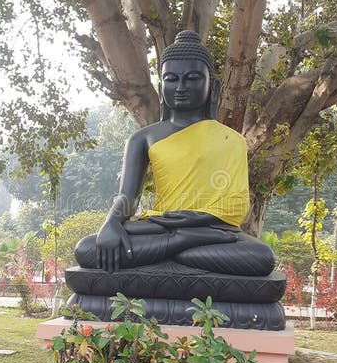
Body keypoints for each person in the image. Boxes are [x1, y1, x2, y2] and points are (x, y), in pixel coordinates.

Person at [74, 30, 274, 277]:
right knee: (86, 249)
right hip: (166, 227)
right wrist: (111, 223)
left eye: (192, 78)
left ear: (213, 85)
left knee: (261, 257)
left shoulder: (231, 140)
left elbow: (237, 205)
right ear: (161, 85)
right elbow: (128, 197)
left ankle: (173, 246)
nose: (180, 87)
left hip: (214, 231)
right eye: (171, 79)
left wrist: (196, 219)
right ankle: (182, 241)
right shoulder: (142, 138)